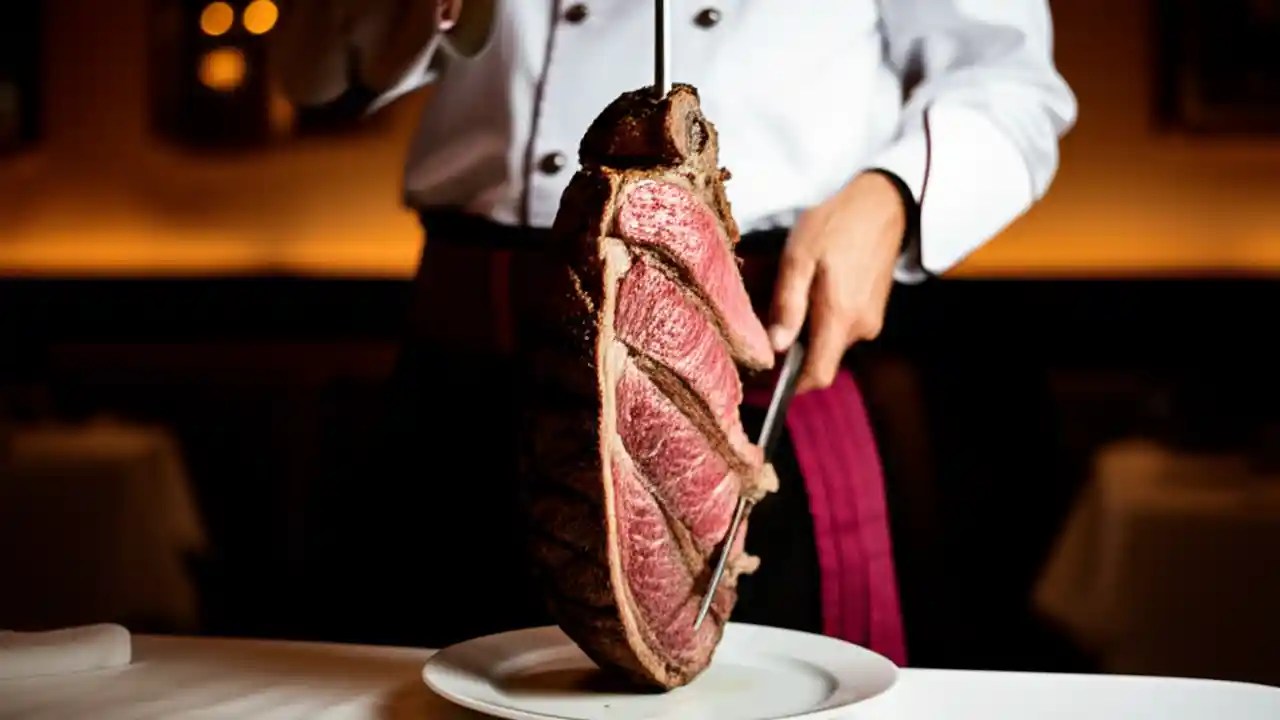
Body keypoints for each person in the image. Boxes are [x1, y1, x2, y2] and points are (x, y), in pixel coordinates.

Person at [276, 1, 1076, 663]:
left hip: (748, 391)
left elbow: (1011, 82)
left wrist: (894, 195)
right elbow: (312, 67)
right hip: (461, 396)